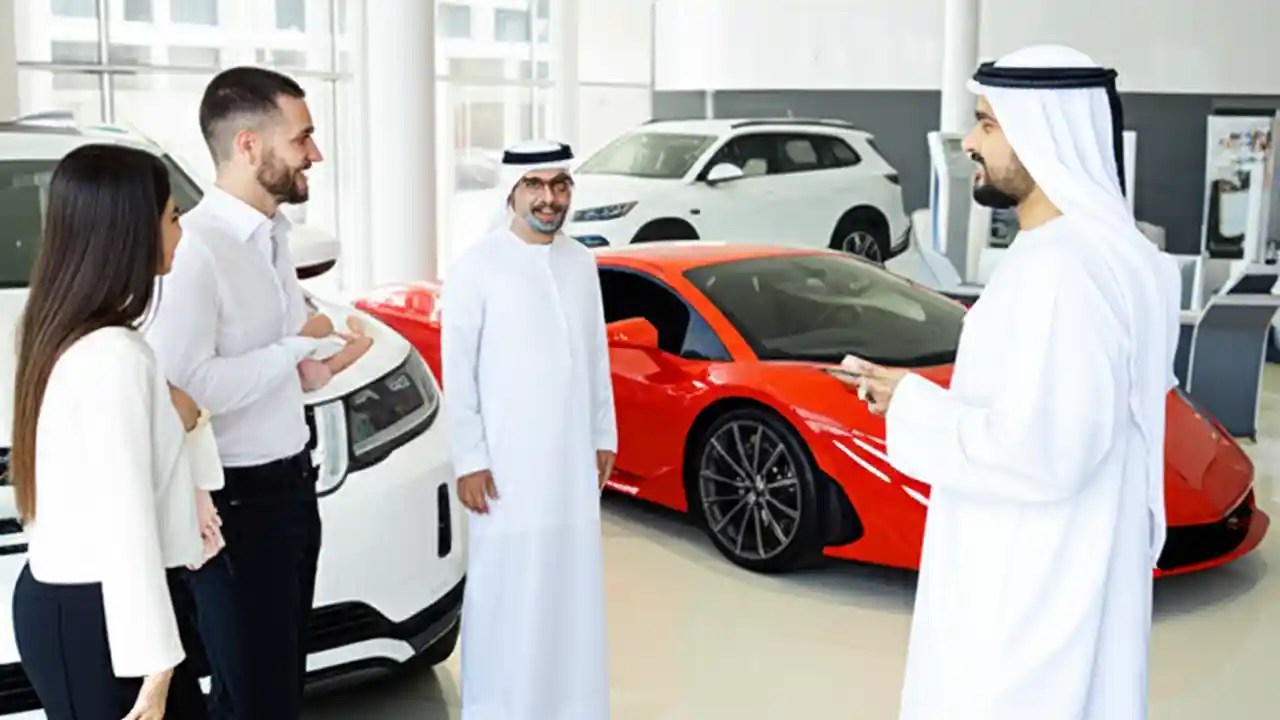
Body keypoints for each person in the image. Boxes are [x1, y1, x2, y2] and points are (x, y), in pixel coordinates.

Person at [841, 46, 1182, 719]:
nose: (969, 142)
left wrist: (910, 404)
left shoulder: (1063, 273)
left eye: (988, 124)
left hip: (1030, 595)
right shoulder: (1103, 256)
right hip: (1064, 570)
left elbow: (1046, 452)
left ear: (1042, 134)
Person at [144, 66, 370, 720]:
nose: (315, 154)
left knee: (279, 689)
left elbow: (284, 370)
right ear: (248, 145)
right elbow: (189, 389)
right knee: (253, 702)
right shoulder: (196, 250)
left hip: (291, 487)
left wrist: (326, 359)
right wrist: (297, 347)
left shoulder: (272, 237)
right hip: (236, 506)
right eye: (302, 138)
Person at [10, 143, 225, 720]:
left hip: (85, 606)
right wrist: (157, 674)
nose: (181, 232)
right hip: (103, 614)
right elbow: (127, 523)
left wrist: (183, 414)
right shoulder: (115, 355)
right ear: (132, 231)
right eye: (173, 217)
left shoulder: (62, 331)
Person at [442, 139, 617, 719]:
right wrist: (469, 459)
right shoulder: (477, 267)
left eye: (560, 185)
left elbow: (594, 357)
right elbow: (458, 372)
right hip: (505, 472)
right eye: (535, 186)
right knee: (507, 596)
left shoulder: (581, 263)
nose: (549, 198)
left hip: (570, 467)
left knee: (571, 592)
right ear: (511, 193)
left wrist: (603, 435)